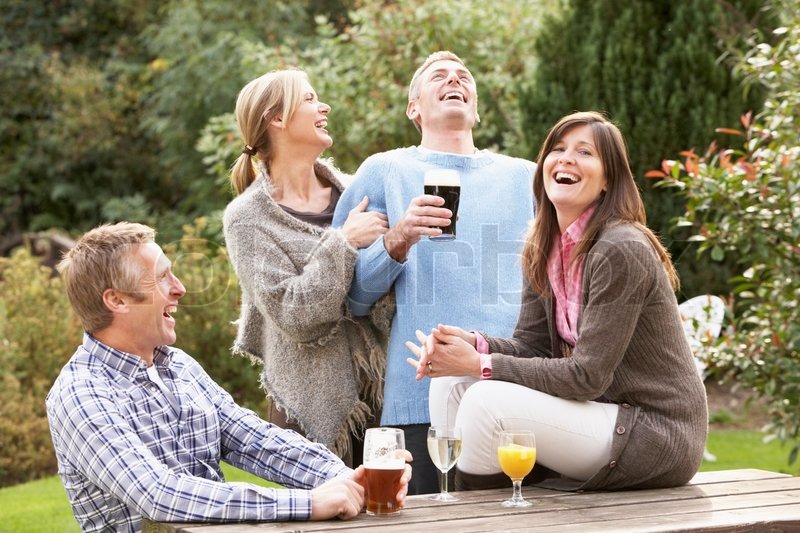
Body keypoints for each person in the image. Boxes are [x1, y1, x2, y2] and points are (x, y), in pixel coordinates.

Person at [407, 111, 708, 491]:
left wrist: (482, 364)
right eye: (558, 149)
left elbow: (586, 377)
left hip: (653, 432)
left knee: (486, 403)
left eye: (585, 152)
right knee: (450, 382)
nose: (567, 159)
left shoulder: (622, 247)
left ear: (608, 180)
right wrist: (474, 345)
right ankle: (466, 507)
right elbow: (533, 347)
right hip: (601, 413)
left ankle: (482, 516)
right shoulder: (544, 247)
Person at [46, 222, 411, 532]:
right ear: (117, 300)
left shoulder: (178, 367)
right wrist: (307, 503)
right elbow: (158, 494)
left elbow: (255, 441)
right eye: (161, 278)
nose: (179, 288)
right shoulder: (81, 394)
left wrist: (345, 477)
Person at [332, 51, 536, 494]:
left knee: (526, 518)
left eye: (464, 76)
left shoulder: (526, 178)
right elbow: (354, 300)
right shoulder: (385, 171)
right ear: (414, 109)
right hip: (421, 396)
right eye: (439, 76)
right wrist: (399, 238)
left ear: (475, 109)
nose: (454, 80)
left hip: (517, 386)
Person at [223, 69, 393, 467]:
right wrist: (344, 242)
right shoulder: (247, 218)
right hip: (307, 411)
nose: (325, 106)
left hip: (385, 394)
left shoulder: (358, 192)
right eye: (310, 99)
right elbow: (294, 314)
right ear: (276, 118)